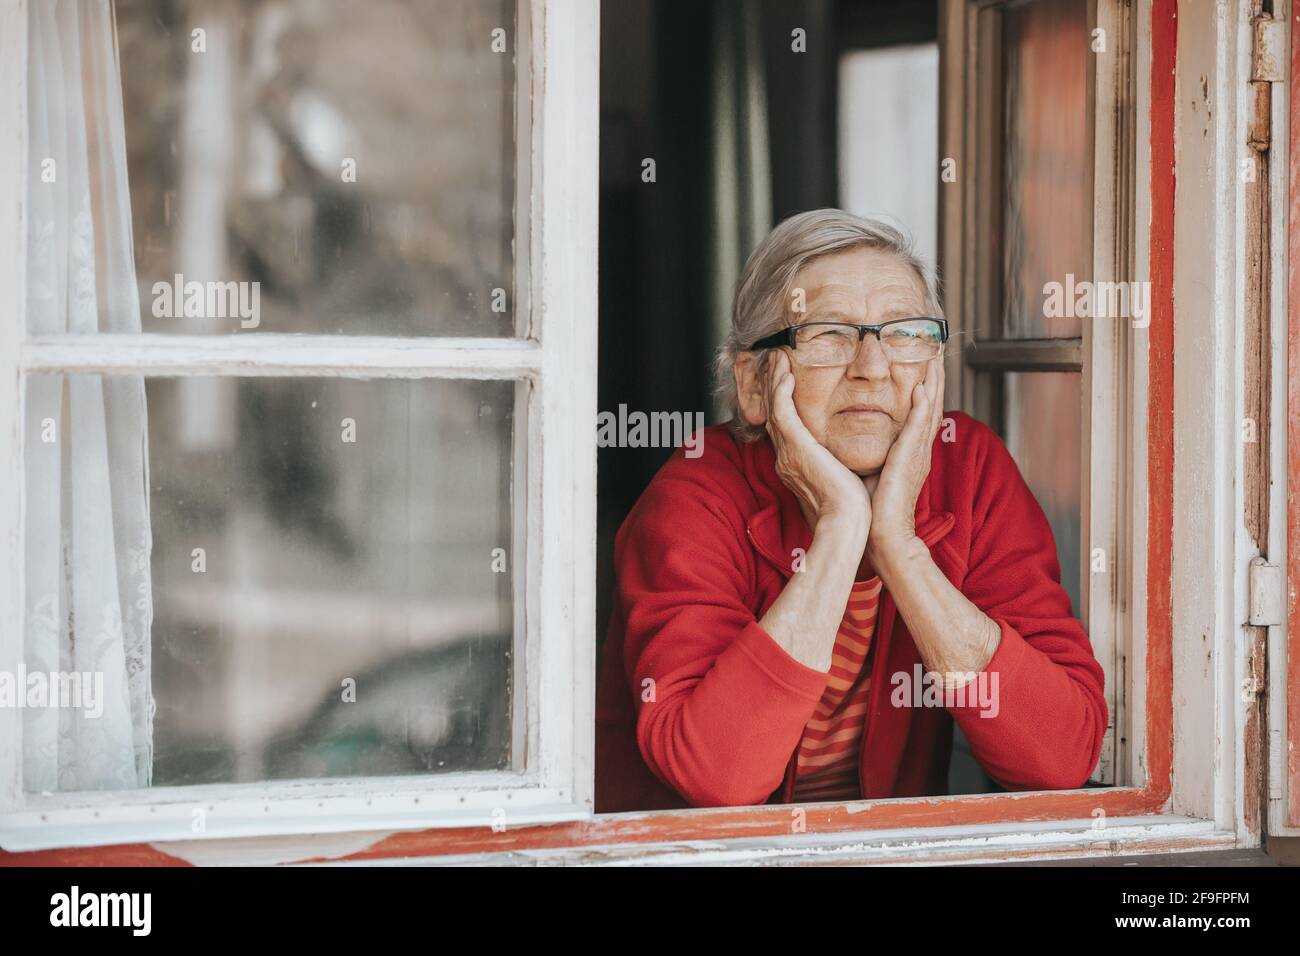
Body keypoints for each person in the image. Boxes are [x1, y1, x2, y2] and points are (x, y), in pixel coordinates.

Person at [594, 208, 1108, 811]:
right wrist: (841, 530)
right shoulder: (694, 495)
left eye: (905, 333)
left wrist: (900, 548)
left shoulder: (968, 469)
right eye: (828, 336)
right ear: (755, 384)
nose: (872, 369)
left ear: (933, 368)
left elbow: (1060, 757)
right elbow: (718, 778)